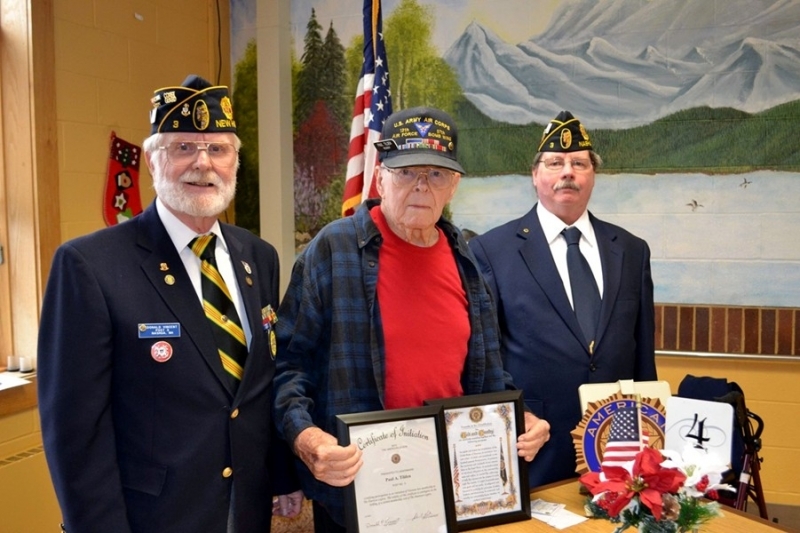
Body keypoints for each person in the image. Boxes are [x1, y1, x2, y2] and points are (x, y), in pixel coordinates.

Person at [37, 74, 301, 533]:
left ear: (235, 161)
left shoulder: (258, 257)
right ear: (153, 161)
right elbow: (75, 433)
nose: (203, 164)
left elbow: (260, 383)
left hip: (246, 513)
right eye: (183, 148)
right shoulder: (89, 266)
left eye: (218, 149)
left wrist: (281, 474)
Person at [273, 106, 551, 532]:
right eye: (407, 172)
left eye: (437, 175)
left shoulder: (467, 258)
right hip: (360, 488)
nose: (422, 186)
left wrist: (519, 419)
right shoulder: (334, 250)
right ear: (381, 176)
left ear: (454, 185)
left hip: (453, 488)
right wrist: (306, 439)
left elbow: (487, 371)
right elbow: (287, 365)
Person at [469, 110, 657, 488]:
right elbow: (483, 358)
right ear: (535, 176)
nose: (567, 171)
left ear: (593, 176)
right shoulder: (491, 251)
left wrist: (650, 441)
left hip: (616, 445)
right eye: (555, 163)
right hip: (534, 444)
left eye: (579, 163)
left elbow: (643, 357)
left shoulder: (632, 250)